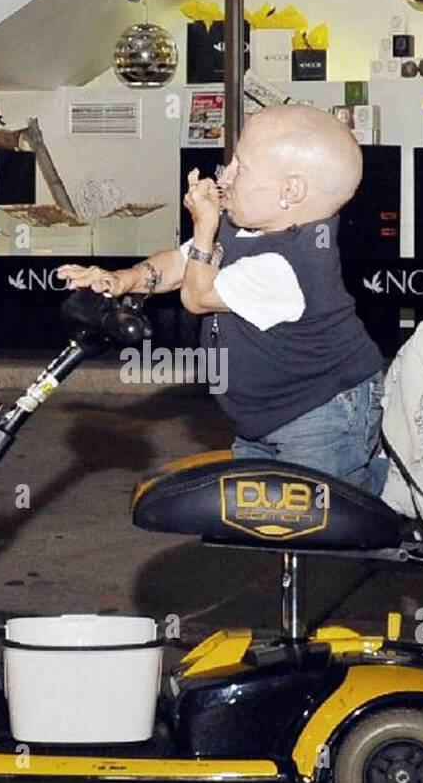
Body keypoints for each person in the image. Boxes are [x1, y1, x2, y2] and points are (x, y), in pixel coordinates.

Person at [59, 104, 388, 495]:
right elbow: (181, 263)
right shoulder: (249, 226)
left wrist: (204, 226)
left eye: (241, 167)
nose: (224, 175)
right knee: (263, 519)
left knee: (327, 520)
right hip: (265, 413)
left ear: (291, 191)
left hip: (321, 411)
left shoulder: (290, 265)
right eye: (230, 161)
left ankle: (407, 499)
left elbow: (197, 295)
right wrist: (120, 279)